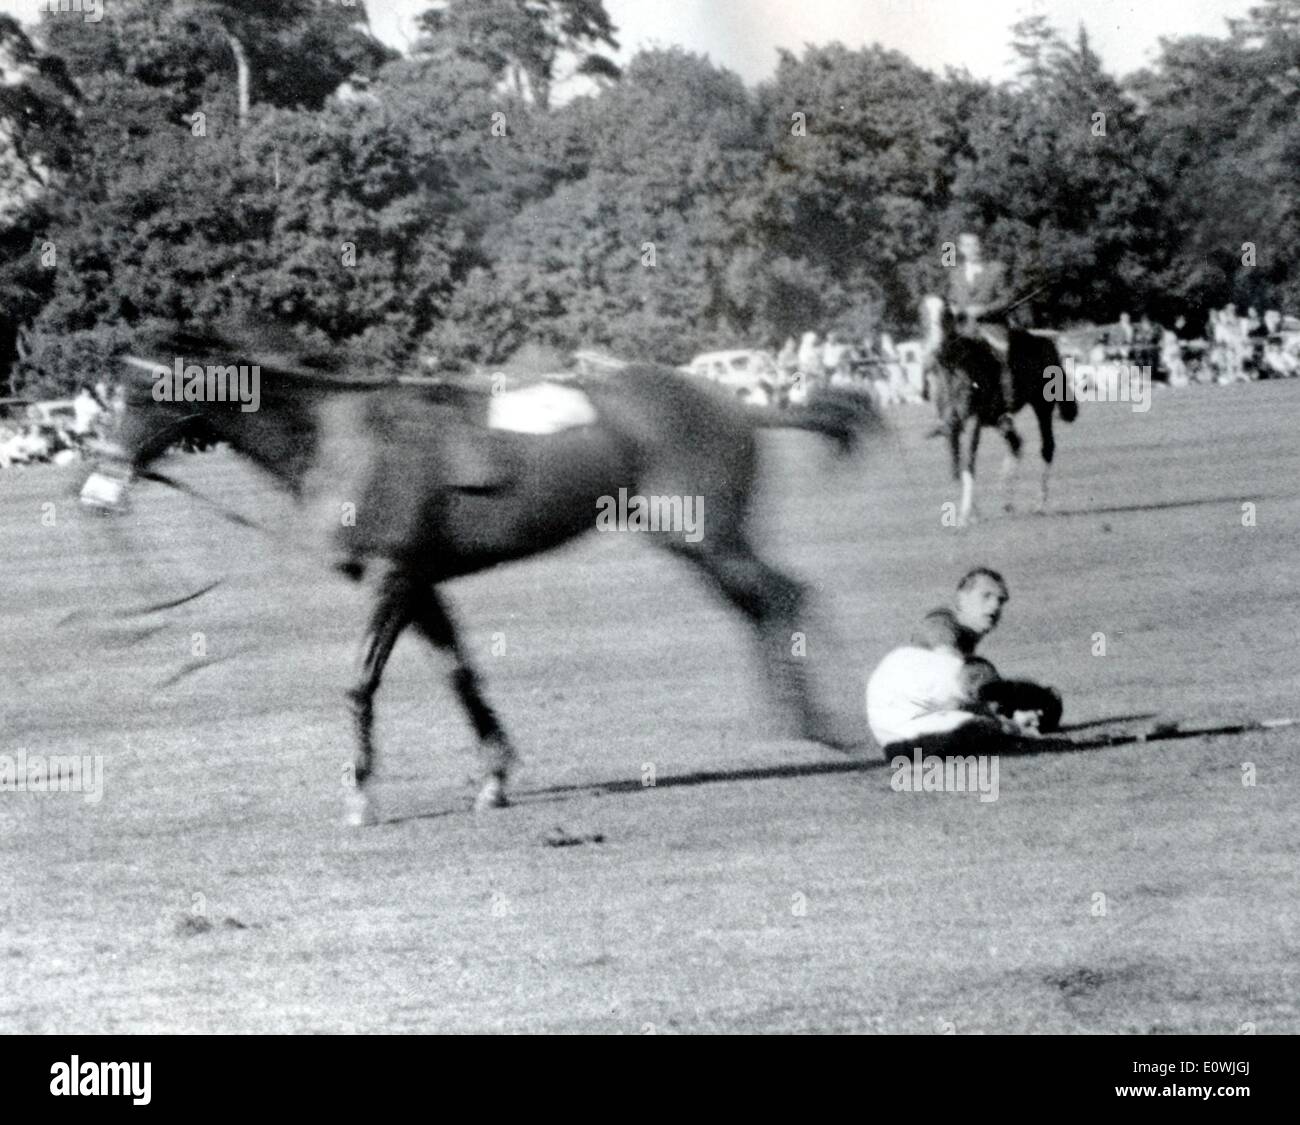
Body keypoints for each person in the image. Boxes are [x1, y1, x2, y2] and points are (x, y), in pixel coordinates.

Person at [866, 567, 1062, 755]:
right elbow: (957, 679)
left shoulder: (962, 634)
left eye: (1000, 600)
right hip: (912, 721)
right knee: (985, 715)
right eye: (986, 596)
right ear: (961, 598)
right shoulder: (941, 626)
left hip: (917, 721)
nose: (995, 606)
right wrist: (1005, 709)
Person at [949, 232, 1016, 430]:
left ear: (981, 246)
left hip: (991, 329)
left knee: (1000, 363)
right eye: (968, 245)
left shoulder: (997, 269)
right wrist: (954, 309)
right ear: (961, 249)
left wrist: (984, 310)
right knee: (944, 363)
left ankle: (1004, 413)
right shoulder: (955, 273)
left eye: (976, 245)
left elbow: (1007, 299)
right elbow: (952, 299)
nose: (973, 249)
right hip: (964, 332)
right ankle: (947, 414)